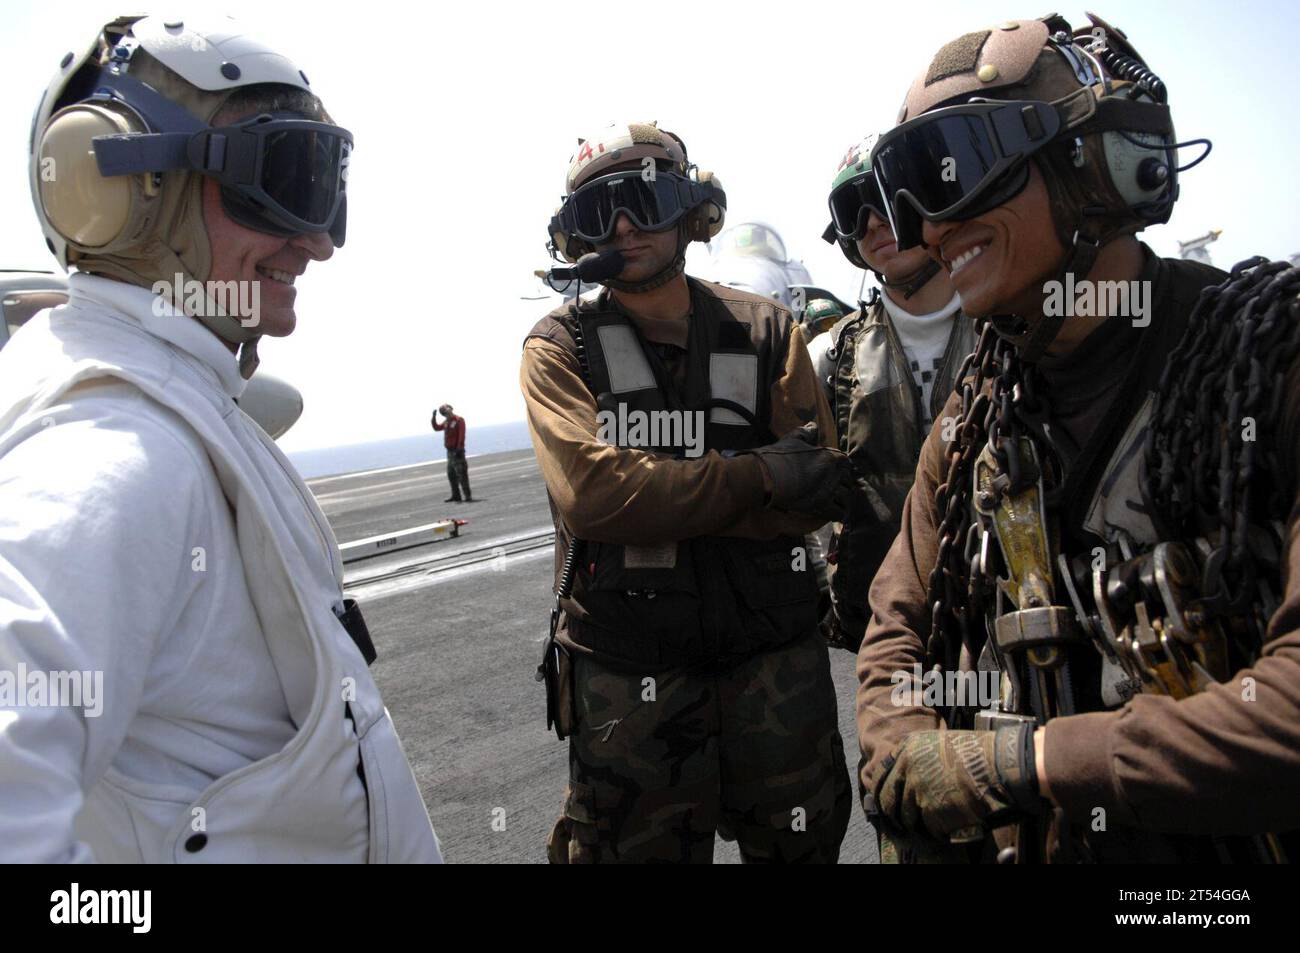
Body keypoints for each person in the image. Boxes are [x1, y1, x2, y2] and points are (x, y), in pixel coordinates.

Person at [856, 13, 1300, 863]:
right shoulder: (971, 423)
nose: (926, 227)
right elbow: (895, 627)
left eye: (955, 171)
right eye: (906, 192)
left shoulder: (1272, 365)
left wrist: (1031, 762)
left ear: (1095, 164)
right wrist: (901, 742)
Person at [0, 14, 441, 863]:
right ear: (117, 189)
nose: (316, 243)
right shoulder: (112, 445)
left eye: (321, 188)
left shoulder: (172, 399)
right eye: (274, 182)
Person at [522, 121, 854, 863]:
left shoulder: (767, 329)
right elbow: (596, 495)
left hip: (773, 669)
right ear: (576, 236)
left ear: (688, 208)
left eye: (642, 198)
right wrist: (756, 475)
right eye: (598, 212)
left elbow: (817, 484)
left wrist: (670, 495)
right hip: (629, 682)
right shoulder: (559, 348)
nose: (625, 226)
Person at [810, 135, 971, 653]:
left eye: (886, 198)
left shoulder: (1011, 330)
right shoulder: (831, 358)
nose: (874, 223)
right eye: (853, 211)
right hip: (889, 634)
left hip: (1002, 621)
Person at [432, 402, 472, 502]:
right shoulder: (446, 422)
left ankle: (467, 495)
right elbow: (436, 428)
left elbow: (461, 435)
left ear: (451, 410)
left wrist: (459, 448)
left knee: (461, 474)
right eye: (445, 413)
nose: (447, 414)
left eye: (448, 411)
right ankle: (456, 495)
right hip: (449, 452)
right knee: (451, 474)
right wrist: (433, 418)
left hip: (457, 451)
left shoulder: (459, 420)